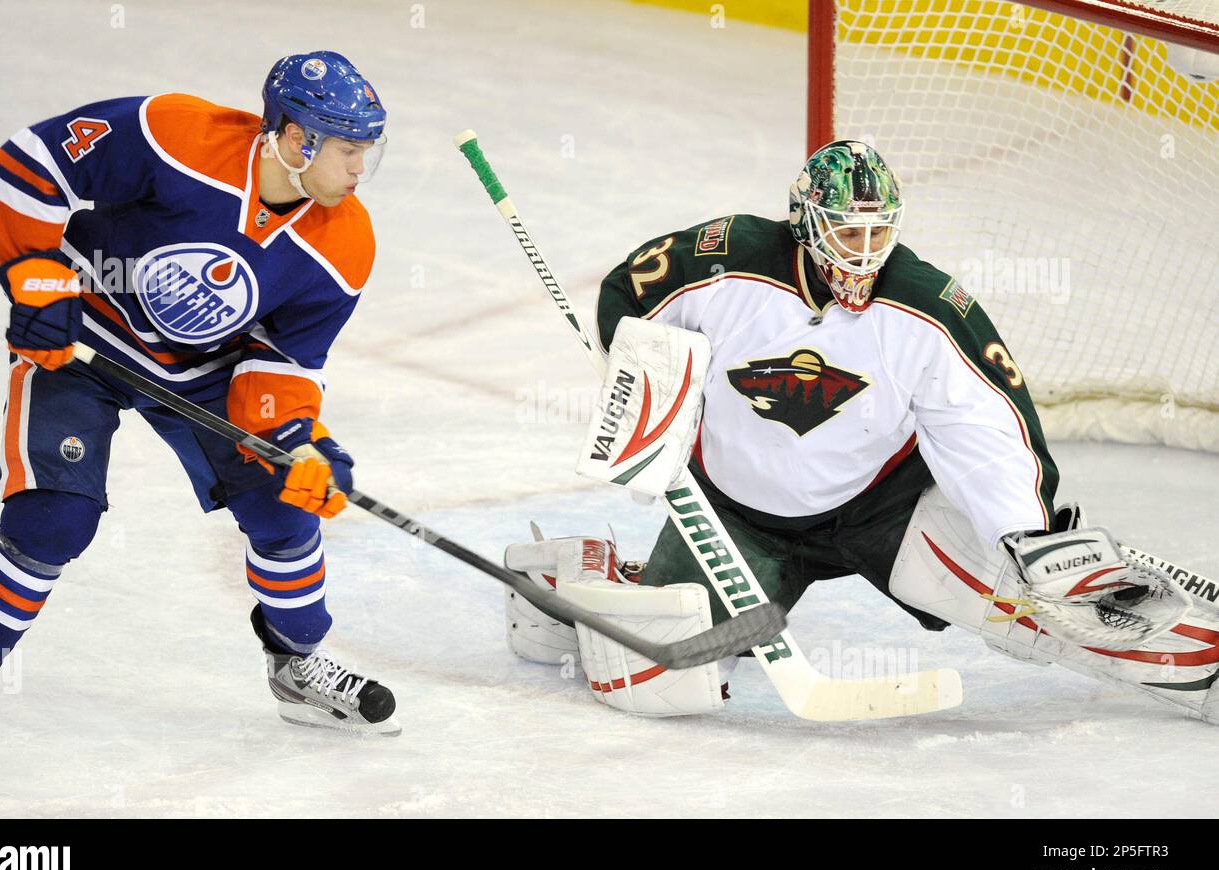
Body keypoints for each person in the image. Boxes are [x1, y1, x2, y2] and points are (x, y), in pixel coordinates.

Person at [504, 140, 1219, 723]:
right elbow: (630, 293)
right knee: (655, 678)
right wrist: (648, 395)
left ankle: (1206, 662)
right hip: (736, 517)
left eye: (880, 232)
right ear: (806, 222)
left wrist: (1024, 533)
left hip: (884, 509)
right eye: (848, 231)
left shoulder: (926, 308)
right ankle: (574, 576)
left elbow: (986, 424)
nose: (865, 250)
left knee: (1027, 610)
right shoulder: (729, 261)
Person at [0, 51, 400, 786]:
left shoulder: (344, 243)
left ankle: (296, 660)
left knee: (283, 504)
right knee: (52, 521)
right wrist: (36, 272)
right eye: (348, 149)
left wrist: (301, 441)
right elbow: (32, 163)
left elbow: (282, 364)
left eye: (367, 149)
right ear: (297, 139)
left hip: (202, 371)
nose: (360, 167)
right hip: (83, 342)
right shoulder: (176, 134)